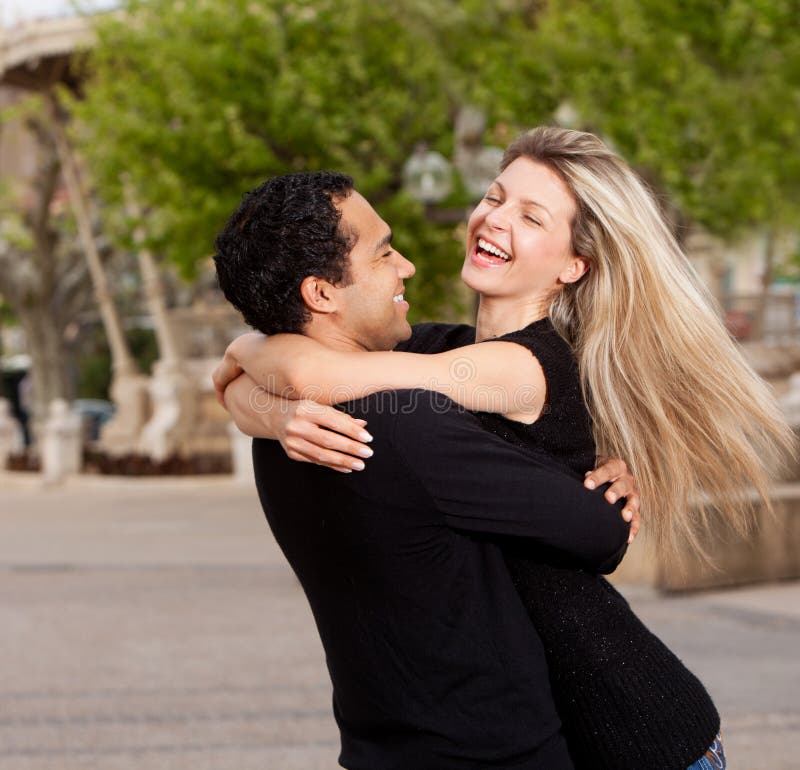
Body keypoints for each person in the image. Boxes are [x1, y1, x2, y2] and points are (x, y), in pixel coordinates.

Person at [216, 128, 794, 770]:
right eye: (494, 197)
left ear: (573, 265)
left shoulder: (525, 369)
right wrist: (269, 406)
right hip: (570, 735)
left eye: (531, 216)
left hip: (636, 731)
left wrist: (251, 357)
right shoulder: (436, 351)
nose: (494, 218)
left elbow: (315, 372)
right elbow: (315, 368)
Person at [213, 170, 638, 770]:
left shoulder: (283, 428)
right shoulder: (406, 429)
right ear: (322, 294)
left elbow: (281, 374)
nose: (406, 266)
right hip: (494, 753)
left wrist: (249, 363)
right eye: (384, 252)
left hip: (377, 746)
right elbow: (603, 531)